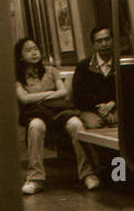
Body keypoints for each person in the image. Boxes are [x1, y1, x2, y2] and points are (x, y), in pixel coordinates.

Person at [14, 37, 70, 195]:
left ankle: (88, 172)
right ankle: (35, 178)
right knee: (36, 126)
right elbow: (23, 99)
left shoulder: (51, 70)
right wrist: (51, 93)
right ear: (20, 56)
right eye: (28, 50)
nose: (33, 52)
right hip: (34, 114)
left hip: (56, 112)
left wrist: (37, 97)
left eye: (35, 49)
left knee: (75, 124)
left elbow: (64, 92)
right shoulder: (17, 76)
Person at [65, 25, 117, 191]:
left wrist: (112, 105)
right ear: (93, 45)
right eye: (99, 41)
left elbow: (128, 89)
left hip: (115, 108)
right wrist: (100, 108)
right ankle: (97, 169)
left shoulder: (122, 65)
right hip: (90, 110)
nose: (104, 44)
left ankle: (120, 174)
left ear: (113, 40)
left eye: (107, 39)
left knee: (119, 129)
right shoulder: (84, 66)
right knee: (93, 127)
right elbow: (80, 95)